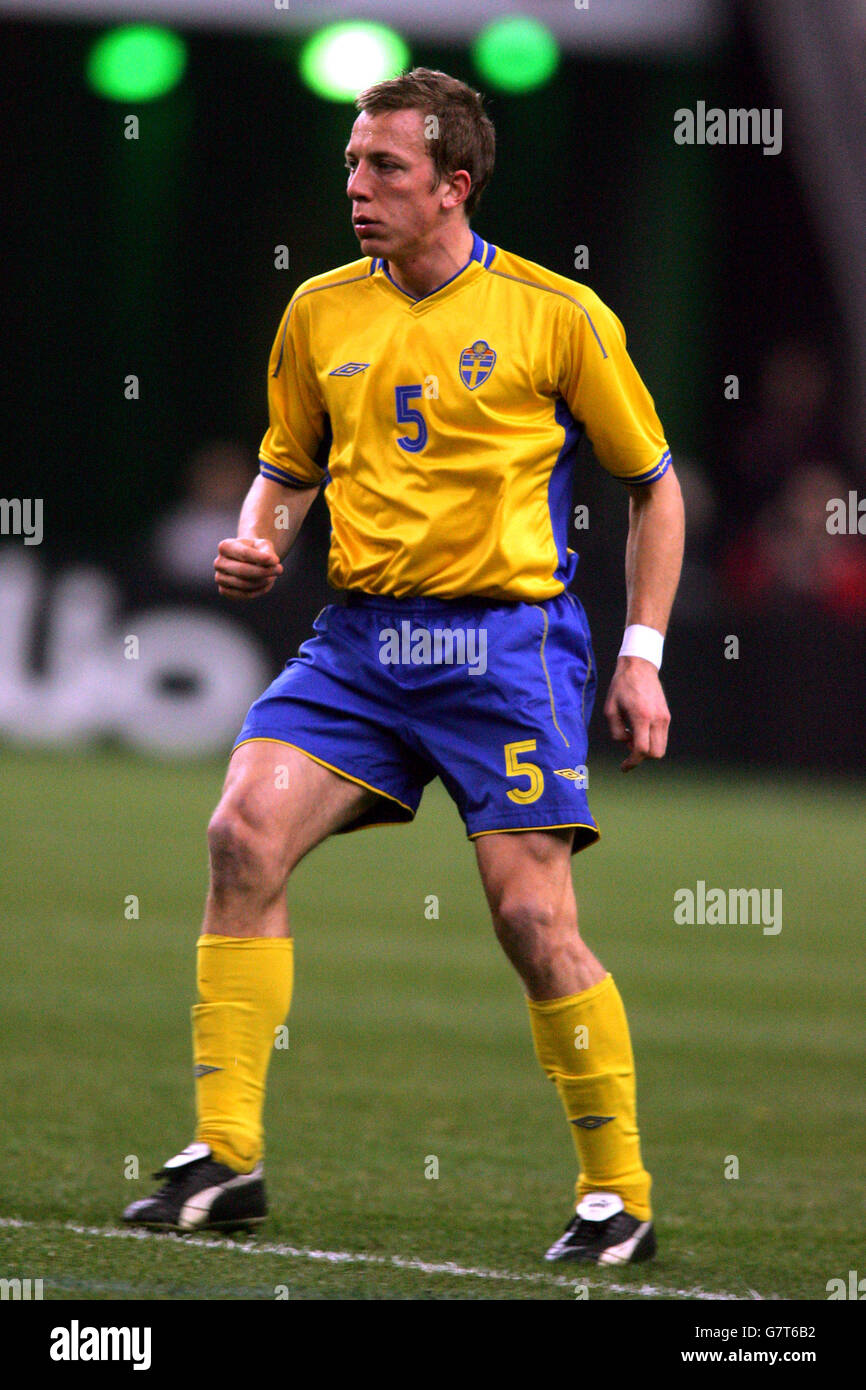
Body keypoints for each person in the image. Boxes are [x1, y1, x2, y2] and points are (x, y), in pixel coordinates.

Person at [123, 68, 684, 1266]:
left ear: (453, 186)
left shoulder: (555, 315)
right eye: (350, 163)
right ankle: (226, 1155)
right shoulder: (318, 312)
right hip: (360, 645)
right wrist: (258, 539)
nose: (356, 187)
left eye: (383, 168)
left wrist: (638, 656)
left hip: (507, 647)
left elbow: (653, 487)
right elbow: (289, 460)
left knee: (531, 918)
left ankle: (615, 1191)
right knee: (240, 835)